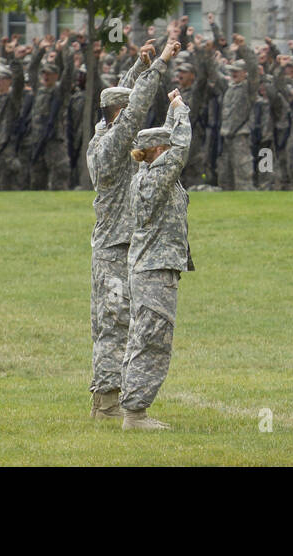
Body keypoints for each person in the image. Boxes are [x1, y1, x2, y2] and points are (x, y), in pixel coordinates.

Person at [86, 39, 174, 421]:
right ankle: (107, 403)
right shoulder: (110, 146)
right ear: (116, 115)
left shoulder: (103, 134)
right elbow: (132, 112)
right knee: (115, 321)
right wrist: (160, 66)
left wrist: (137, 69)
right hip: (114, 246)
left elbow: (122, 103)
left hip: (122, 243)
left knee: (119, 319)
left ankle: (112, 398)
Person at [120, 88, 193, 430]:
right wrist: (181, 111)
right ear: (158, 152)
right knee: (152, 340)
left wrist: (169, 110)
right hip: (153, 271)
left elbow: (169, 147)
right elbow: (179, 149)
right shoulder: (157, 176)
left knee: (144, 336)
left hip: (149, 268)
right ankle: (135, 414)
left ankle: (133, 409)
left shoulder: (148, 175)